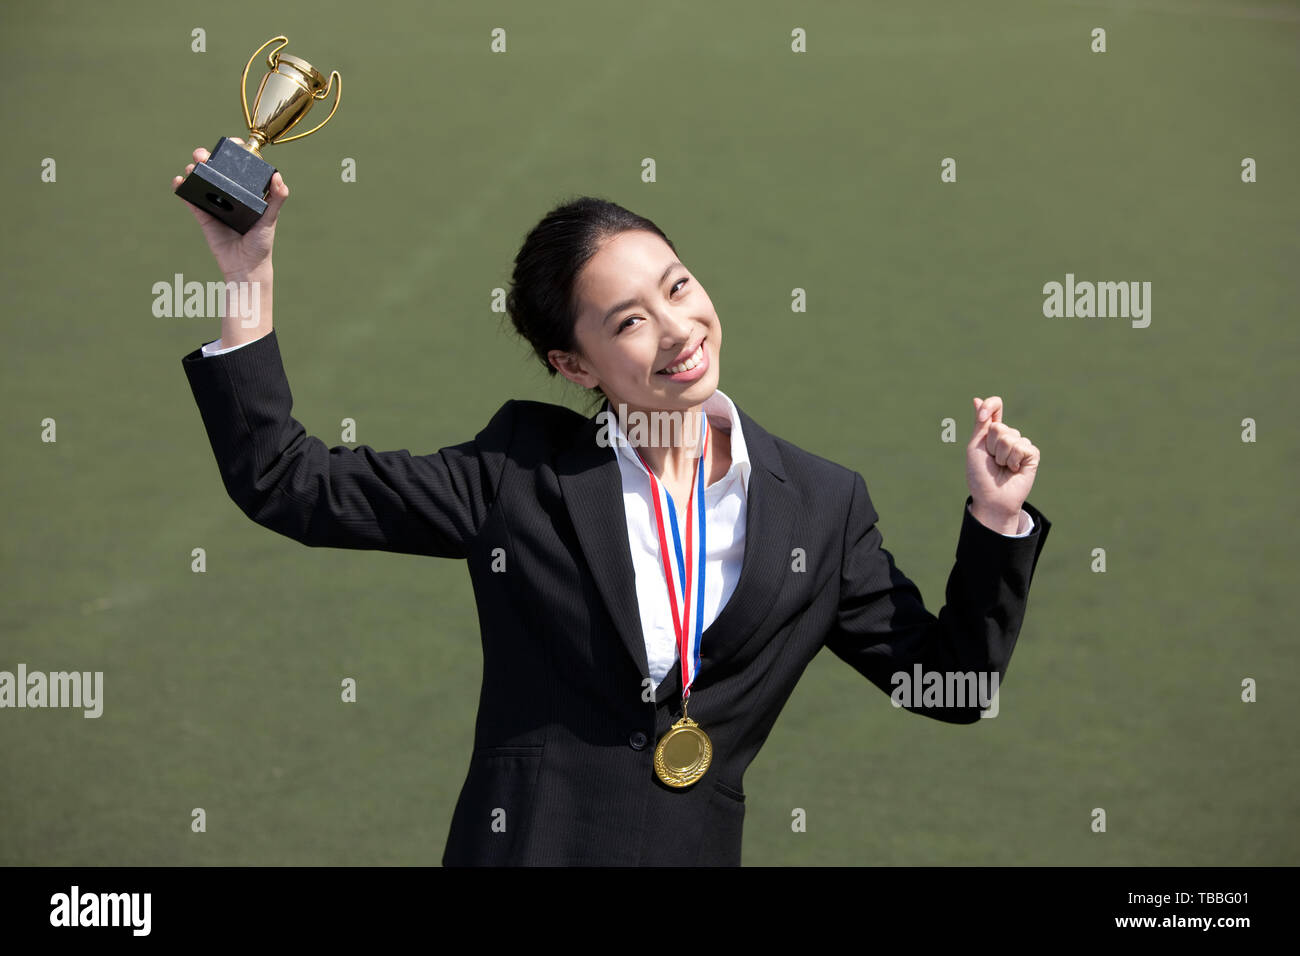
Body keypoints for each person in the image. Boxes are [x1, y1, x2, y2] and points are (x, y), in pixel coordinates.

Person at [172, 144, 1052, 866]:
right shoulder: (518, 474)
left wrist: (995, 522)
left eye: (677, 287)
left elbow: (953, 685)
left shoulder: (823, 505)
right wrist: (248, 273)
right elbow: (288, 482)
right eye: (628, 320)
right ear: (573, 366)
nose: (678, 331)